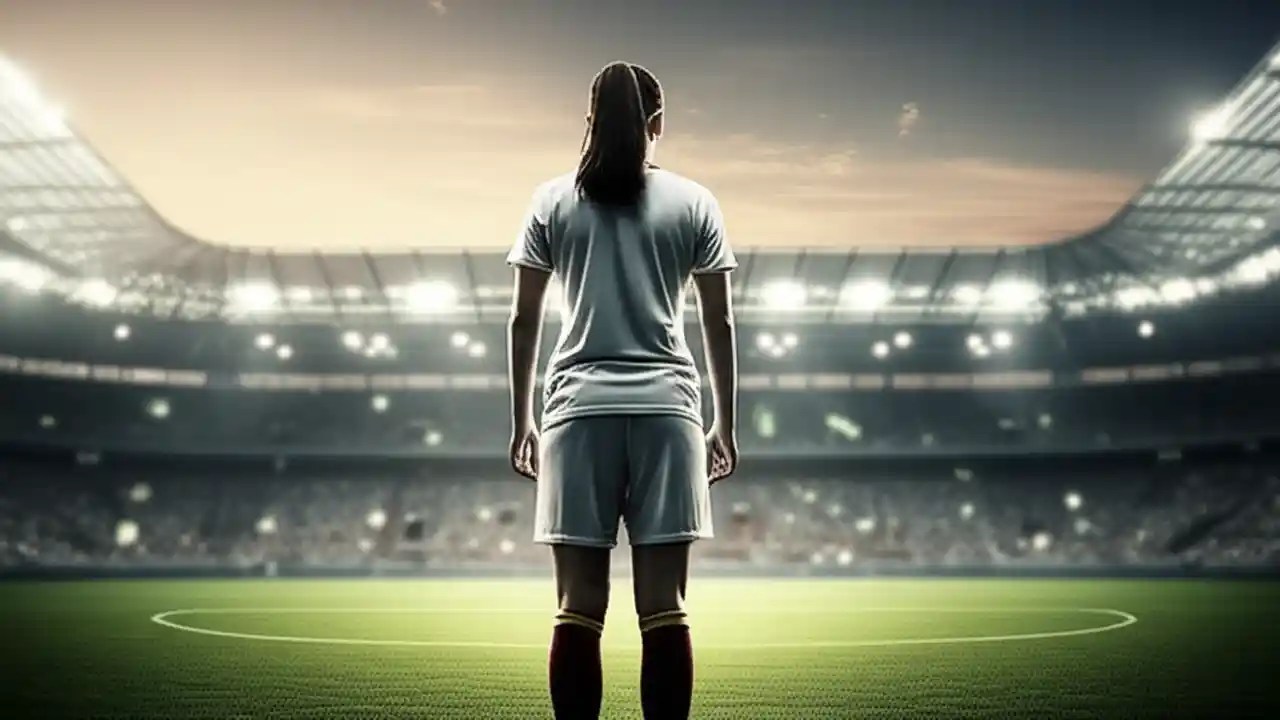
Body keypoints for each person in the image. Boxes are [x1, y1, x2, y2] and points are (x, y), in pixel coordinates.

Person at [505, 60, 739, 720]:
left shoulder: (550, 200)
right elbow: (717, 319)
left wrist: (523, 418)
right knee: (665, 606)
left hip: (577, 414)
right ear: (658, 123)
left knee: (577, 606)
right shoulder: (695, 202)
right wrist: (724, 421)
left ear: (588, 121)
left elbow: (524, 318)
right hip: (669, 411)